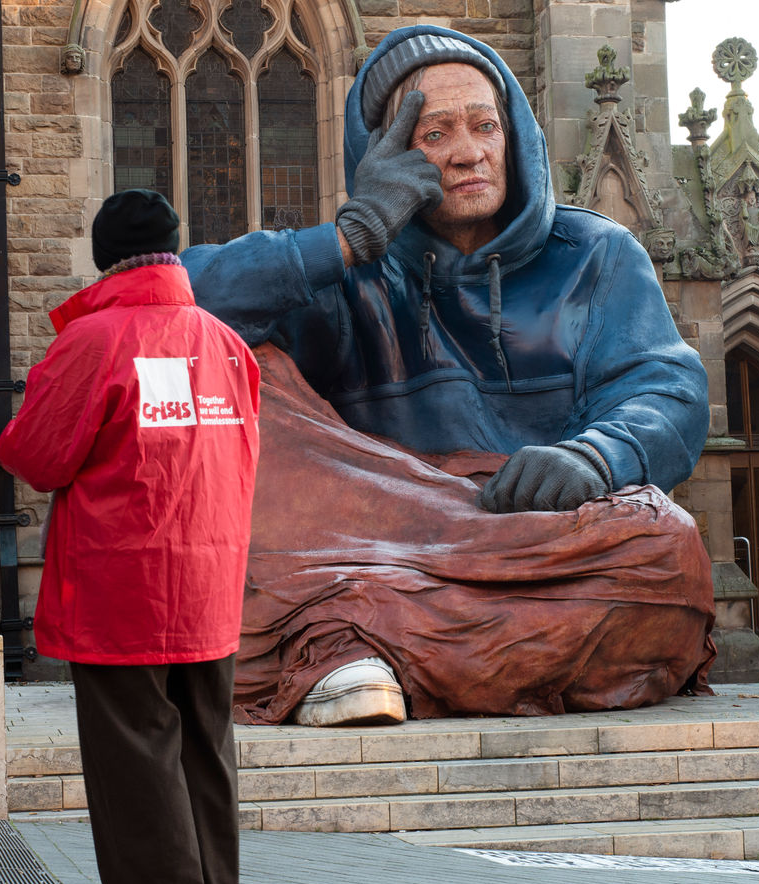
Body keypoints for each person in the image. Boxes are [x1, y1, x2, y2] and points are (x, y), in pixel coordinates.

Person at [181, 25, 711, 726]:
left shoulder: (597, 254)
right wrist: (346, 238)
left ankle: (346, 646)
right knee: (216, 369)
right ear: (387, 155)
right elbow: (171, 305)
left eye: (484, 125)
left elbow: (667, 390)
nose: (468, 152)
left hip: (539, 538)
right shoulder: (345, 274)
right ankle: (447, 652)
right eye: (435, 134)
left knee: (669, 549)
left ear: (513, 135)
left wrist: (596, 456)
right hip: (386, 540)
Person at [0, 189, 260, 884]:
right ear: (175, 248)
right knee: (208, 761)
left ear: (104, 258)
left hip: (122, 592)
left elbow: (36, 457)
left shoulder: (93, 341)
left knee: (136, 773)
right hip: (209, 588)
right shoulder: (227, 344)